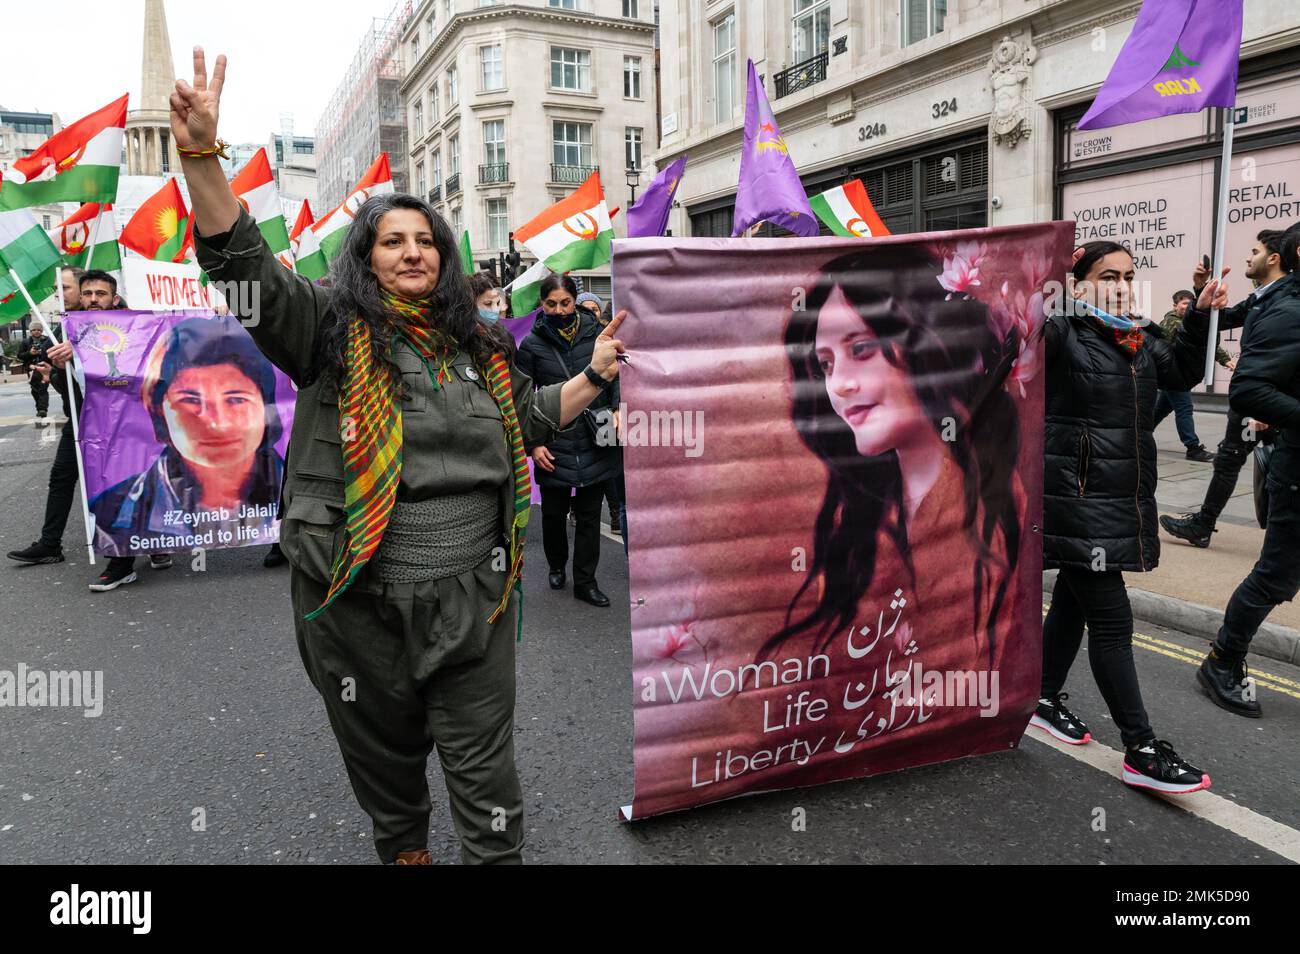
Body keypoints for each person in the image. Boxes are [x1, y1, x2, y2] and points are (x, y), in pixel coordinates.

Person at [173, 46, 624, 864]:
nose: (413, 252)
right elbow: (244, 271)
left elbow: (529, 418)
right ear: (366, 257)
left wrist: (592, 376)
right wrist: (203, 158)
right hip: (358, 608)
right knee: (387, 771)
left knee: (488, 785)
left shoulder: (482, 348)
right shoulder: (326, 333)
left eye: (426, 241)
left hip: (474, 602)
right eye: (392, 241)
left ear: (447, 258)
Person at [760, 245, 1025, 673]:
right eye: (825, 365)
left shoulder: (985, 503)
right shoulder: (868, 508)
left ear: (926, 342)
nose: (839, 385)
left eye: (861, 349)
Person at [1036, 240, 1222, 795]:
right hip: (1078, 497)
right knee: (1113, 622)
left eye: (1129, 274)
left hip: (1119, 495)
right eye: (1107, 274)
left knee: (1072, 604)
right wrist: (1045, 273)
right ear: (1077, 284)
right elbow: (1010, 331)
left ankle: (1042, 700)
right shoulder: (1061, 332)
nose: (1120, 283)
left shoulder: (1139, 339)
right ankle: (1140, 748)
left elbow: (1185, 372)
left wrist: (1203, 316)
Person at [1197, 223, 1300, 718]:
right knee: (1276, 577)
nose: (1251, 256)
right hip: (1295, 467)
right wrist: (1201, 301)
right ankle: (1223, 659)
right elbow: (1249, 390)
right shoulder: (1284, 307)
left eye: (1258, 250)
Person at [7, 270, 168, 581]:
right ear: (81, 297)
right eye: (87, 293)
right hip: (82, 420)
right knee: (63, 476)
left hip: (124, 422)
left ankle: (152, 544)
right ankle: (50, 543)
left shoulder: (130, 324)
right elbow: (67, 386)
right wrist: (55, 370)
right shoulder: (66, 329)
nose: (93, 299)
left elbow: (140, 367)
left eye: (101, 294)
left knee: (130, 483)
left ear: (114, 298)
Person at [87, 315, 286, 559]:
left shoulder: (297, 494)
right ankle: (121, 567)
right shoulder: (112, 510)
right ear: (158, 408)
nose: (215, 423)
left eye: (236, 399)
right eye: (190, 401)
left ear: (266, 405)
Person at [1161, 229, 1290, 547]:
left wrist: (1266, 406)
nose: (1248, 256)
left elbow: (1284, 356)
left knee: (1258, 465)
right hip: (1256, 400)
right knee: (1231, 459)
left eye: (1255, 251)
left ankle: (1213, 526)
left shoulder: (1284, 300)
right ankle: (1206, 524)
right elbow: (1223, 319)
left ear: (1274, 259)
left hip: (1264, 401)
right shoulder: (1264, 296)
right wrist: (1201, 294)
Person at [517, 275, 623, 607]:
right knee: (553, 513)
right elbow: (523, 398)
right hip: (554, 439)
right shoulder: (532, 345)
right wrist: (534, 444)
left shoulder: (596, 334)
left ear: (574, 301)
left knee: (591, 516)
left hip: (596, 434)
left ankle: (586, 582)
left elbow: (614, 373)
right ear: (542, 305)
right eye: (551, 304)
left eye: (565, 303)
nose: (559, 310)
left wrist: (618, 408)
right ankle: (556, 564)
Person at [1152, 289, 1224, 461]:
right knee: (1184, 409)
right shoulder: (1172, 321)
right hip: (1172, 373)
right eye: (1184, 303)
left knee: (1160, 410)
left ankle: (1138, 433)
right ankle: (1193, 447)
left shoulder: (1190, 323)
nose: (1187, 307)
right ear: (1175, 305)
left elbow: (1207, 343)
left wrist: (1225, 359)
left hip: (1179, 373)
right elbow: (1165, 346)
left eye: (1190, 303)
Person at [576, 290, 624, 535]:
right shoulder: (575, 344)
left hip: (604, 415)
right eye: (584, 309)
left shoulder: (609, 341)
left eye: (594, 309)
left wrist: (617, 407)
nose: (590, 314)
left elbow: (617, 379)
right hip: (578, 416)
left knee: (611, 470)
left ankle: (616, 513)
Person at [17, 323, 52, 419]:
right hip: (32, 368)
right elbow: (20, 355)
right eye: (34, 330)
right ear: (30, 331)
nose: (36, 331)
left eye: (39, 330)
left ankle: (43, 409)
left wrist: (43, 352)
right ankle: (39, 408)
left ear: (41, 331)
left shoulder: (48, 340)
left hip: (44, 368)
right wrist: (30, 353)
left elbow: (53, 352)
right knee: (34, 390)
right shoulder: (26, 342)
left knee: (43, 388)